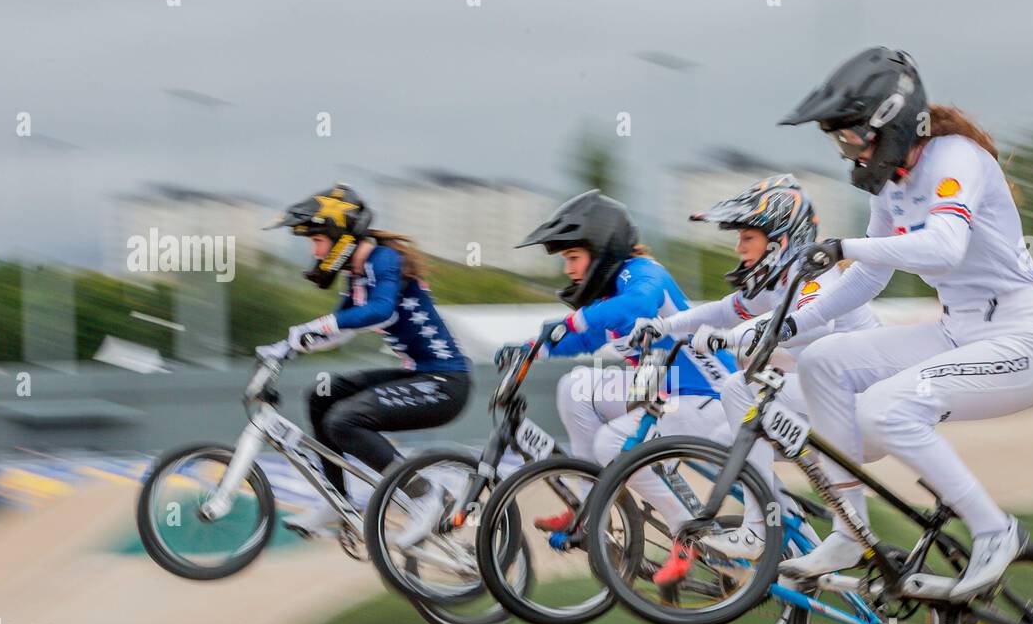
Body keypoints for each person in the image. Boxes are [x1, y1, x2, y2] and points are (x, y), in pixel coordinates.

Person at [764, 46, 1033, 600]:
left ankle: (996, 532)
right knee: (825, 362)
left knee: (885, 407)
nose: (847, 150)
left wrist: (842, 245)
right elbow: (866, 277)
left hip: (1022, 338)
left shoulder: (956, 158)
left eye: (851, 136)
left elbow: (946, 248)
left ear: (892, 122)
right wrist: (786, 327)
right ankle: (850, 529)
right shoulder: (894, 184)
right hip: (958, 330)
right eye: (838, 140)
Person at [628, 174, 880, 563]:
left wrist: (728, 338)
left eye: (747, 238)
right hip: (835, 407)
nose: (737, 246)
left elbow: (815, 321)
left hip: (863, 409)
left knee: (737, 389)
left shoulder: (813, 273)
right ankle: (786, 520)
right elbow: (721, 311)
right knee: (736, 440)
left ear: (779, 240)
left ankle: (759, 528)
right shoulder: (777, 280)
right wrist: (664, 326)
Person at [496, 190, 735, 580]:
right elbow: (584, 340)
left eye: (573, 258)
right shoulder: (612, 293)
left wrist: (571, 323)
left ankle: (687, 533)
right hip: (667, 395)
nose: (567, 270)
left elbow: (636, 308)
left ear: (602, 249)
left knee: (613, 443)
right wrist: (527, 349)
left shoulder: (643, 274)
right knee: (575, 388)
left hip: (707, 400)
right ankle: (590, 506)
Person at [256, 184, 471, 538]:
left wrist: (313, 326)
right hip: (419, 376)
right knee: (322, 394)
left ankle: (424, 494)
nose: (314, 249)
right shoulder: (357, 275)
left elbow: (380, 311)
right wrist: (284, 347)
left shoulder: (385, 259)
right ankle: (337, 500)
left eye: (317, 240)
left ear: (340, 235)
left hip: (446, 384)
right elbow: (340, 331)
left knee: (345, 420)